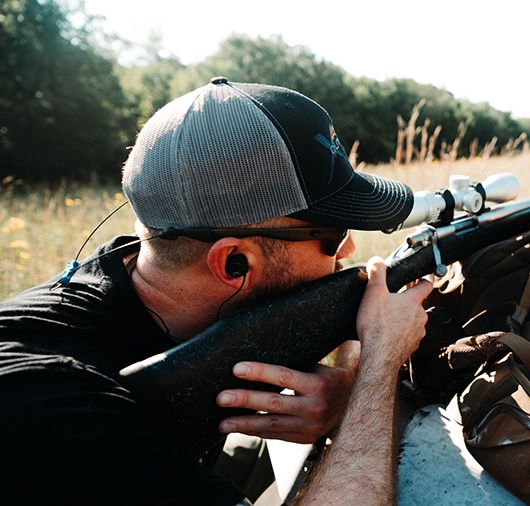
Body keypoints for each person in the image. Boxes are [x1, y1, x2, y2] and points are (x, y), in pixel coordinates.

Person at [0, 77, 432, 505]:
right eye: (334, 235)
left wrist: (344, 394)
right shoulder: (55, 408)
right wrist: (379, 362)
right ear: (233, 262)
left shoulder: (122, 281)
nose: (351, 248)